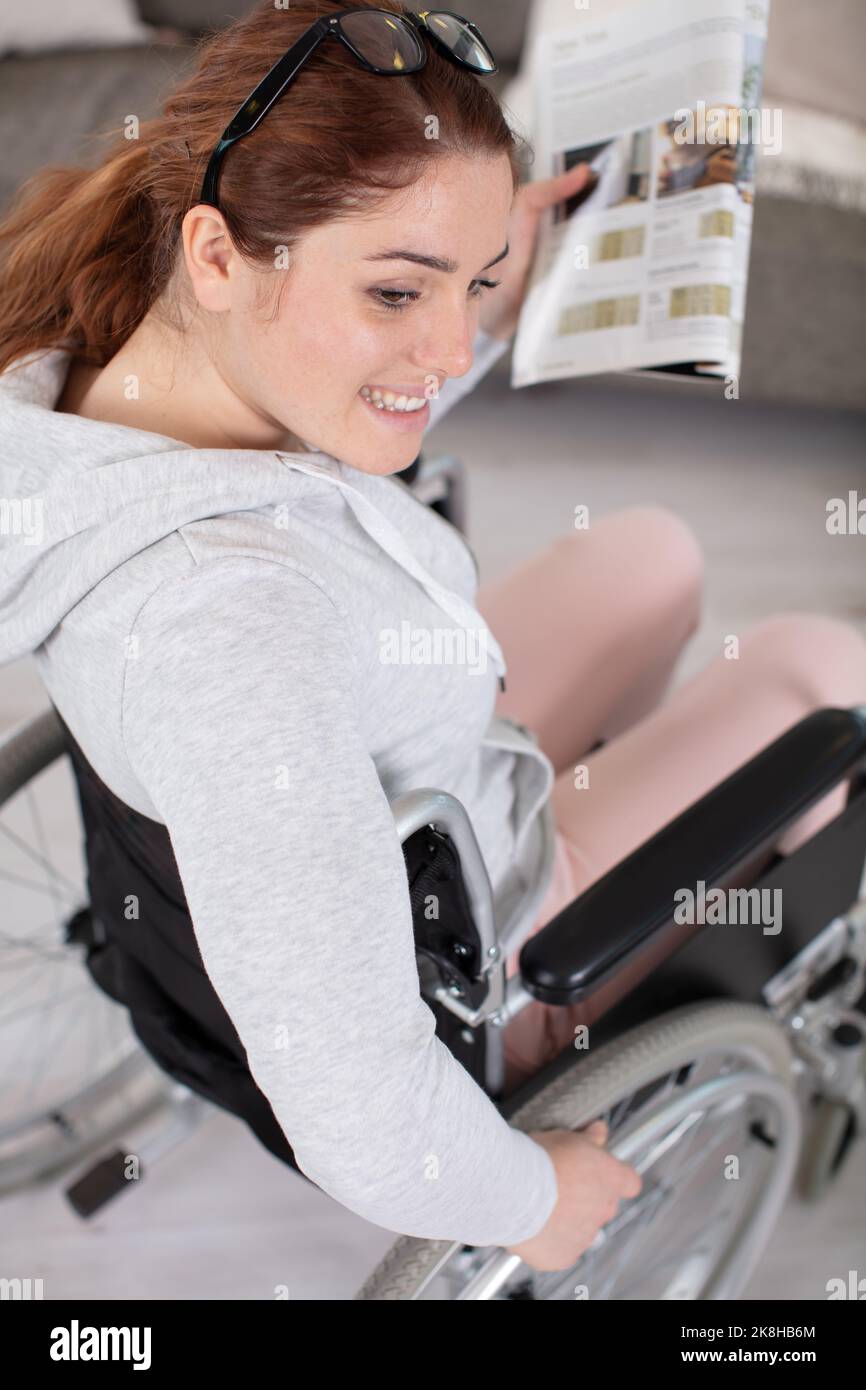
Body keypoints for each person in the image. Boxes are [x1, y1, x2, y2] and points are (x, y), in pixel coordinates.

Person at [0, 1, 863, 1281]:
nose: (453, 342)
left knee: (651, 553)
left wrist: (475, 270)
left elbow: (320, 434)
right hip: (483, 961)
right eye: (399, 288)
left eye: (464, 286)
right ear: (220, 254)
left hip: (397, 758)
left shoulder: (101, 382)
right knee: (827, 674)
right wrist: (527, 1196)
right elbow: (354, 1096)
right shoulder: (221, 631)